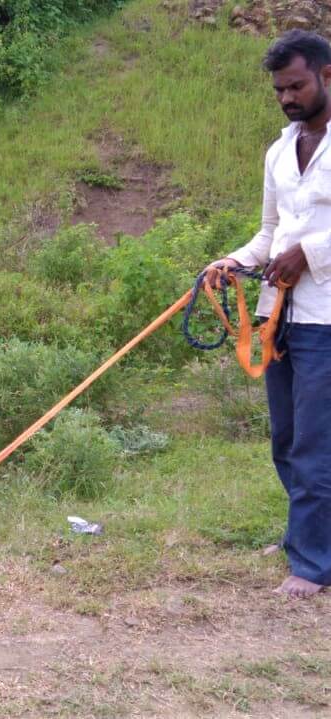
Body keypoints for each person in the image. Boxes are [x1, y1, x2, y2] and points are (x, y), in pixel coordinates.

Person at [204, 30, 331, 598]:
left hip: (327, 319)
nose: (287, 97)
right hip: (279, 317)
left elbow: (300, 245)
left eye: (297, 85)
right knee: (285, 438)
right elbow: (269, 234)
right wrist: (230, 262)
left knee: (316, 445)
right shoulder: (279, 150)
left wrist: (311, 254)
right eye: (280, 89)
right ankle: (307, 537)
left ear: (327, 76)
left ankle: (310, 566)